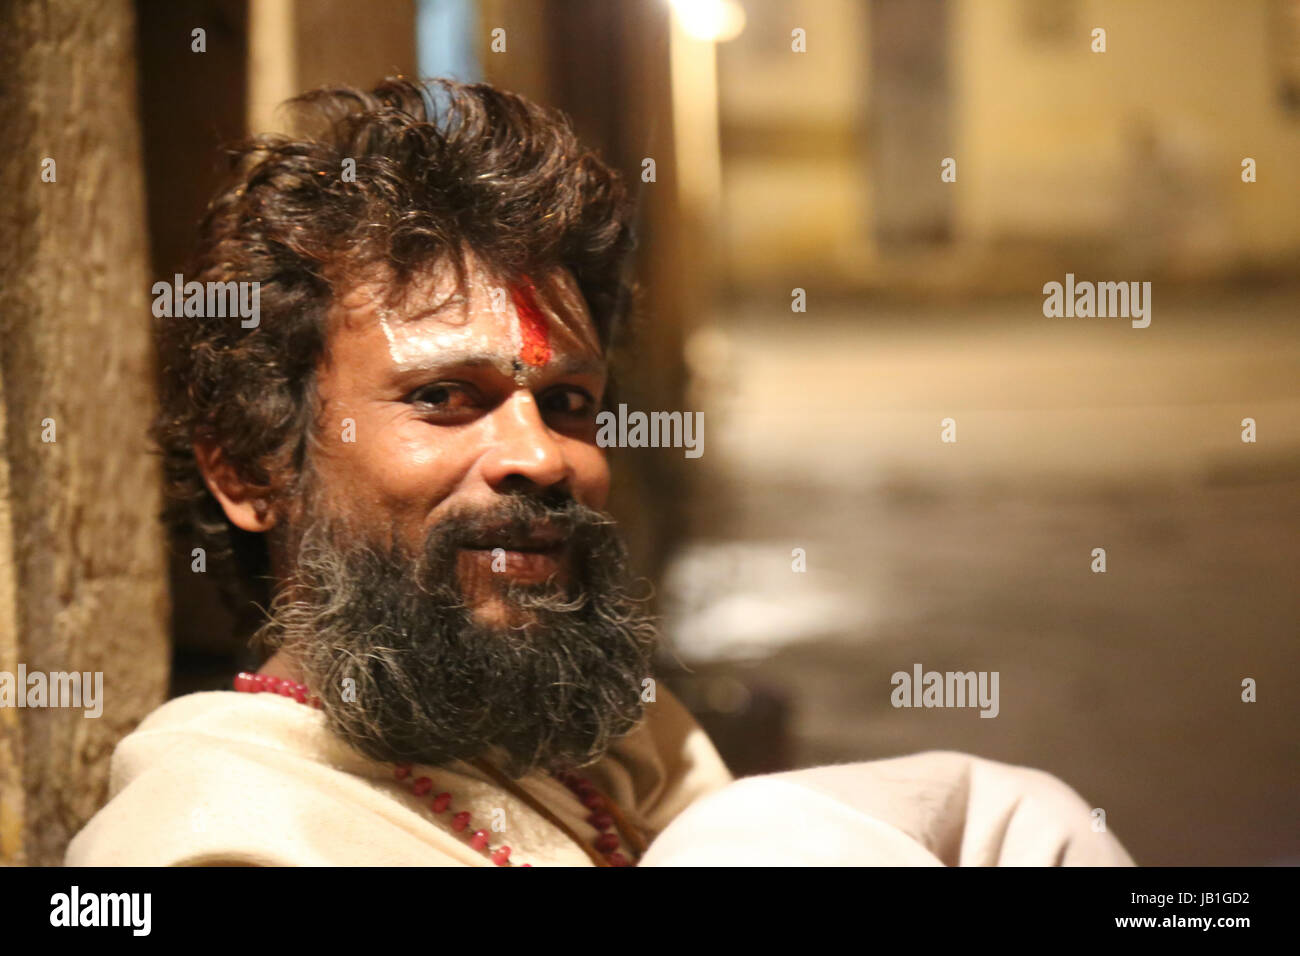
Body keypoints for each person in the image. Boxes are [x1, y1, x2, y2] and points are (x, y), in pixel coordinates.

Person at [65, 77, 1131, 868]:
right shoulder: (211, 837)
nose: (541, 454)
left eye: (569, 401)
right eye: (444, 397)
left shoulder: (615, 744)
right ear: (251, 467)